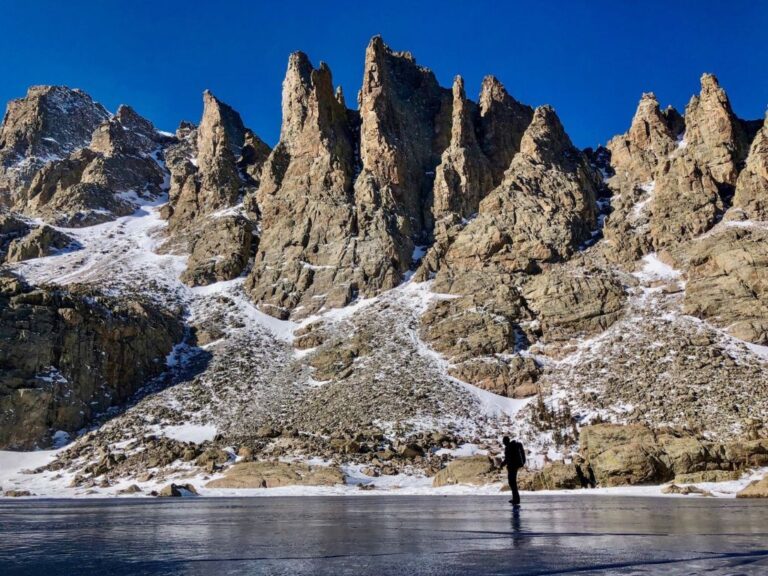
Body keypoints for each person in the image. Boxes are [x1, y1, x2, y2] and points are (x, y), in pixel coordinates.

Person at [501, 436, 525, 506]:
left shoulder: (509, 447)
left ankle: (516, 499)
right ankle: (515, 499)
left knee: (512, 482)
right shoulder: (513, 446)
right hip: (515, 466)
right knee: (512, 482)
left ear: (506, 441)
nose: (503, 443)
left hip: (512, 467)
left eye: (504, 441)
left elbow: (507, 459)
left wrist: (502, 464)